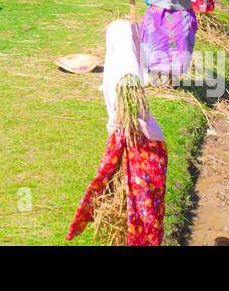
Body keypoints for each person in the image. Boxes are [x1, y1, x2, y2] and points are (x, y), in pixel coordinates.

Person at [67, 20, 167, 246]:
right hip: (139, 142)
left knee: (138, 204)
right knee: (140, 207)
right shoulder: (126, 68)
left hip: (135, 144)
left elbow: (130, 118)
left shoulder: (125, 74)